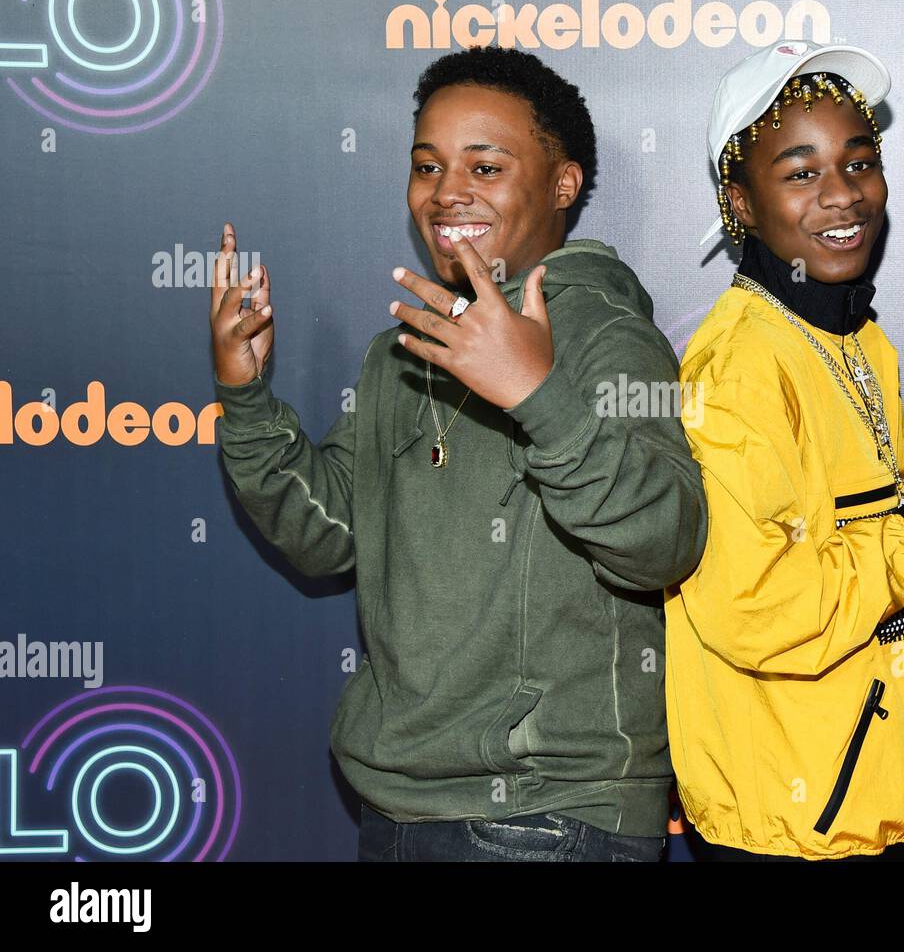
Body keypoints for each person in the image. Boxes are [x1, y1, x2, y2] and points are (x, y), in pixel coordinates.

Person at [208, 45, 707, 862]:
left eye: (486, 165)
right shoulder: (400, 351)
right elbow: (327, 534)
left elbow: (665, 542)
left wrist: (536, 394)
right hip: (399, 804)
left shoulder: (605, 335)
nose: (448, 193)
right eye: (428, 165)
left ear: (562, 184)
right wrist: (248, 399)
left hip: (553, 817)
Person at [665, 39, 904, 861]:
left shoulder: (857, 337)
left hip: (880, 792)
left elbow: (864, 565)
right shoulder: (741, 364)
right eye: (800, 172)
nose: (842, 194)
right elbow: (760, 609)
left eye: (859, 162)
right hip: (790, 823)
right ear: (740, 203)